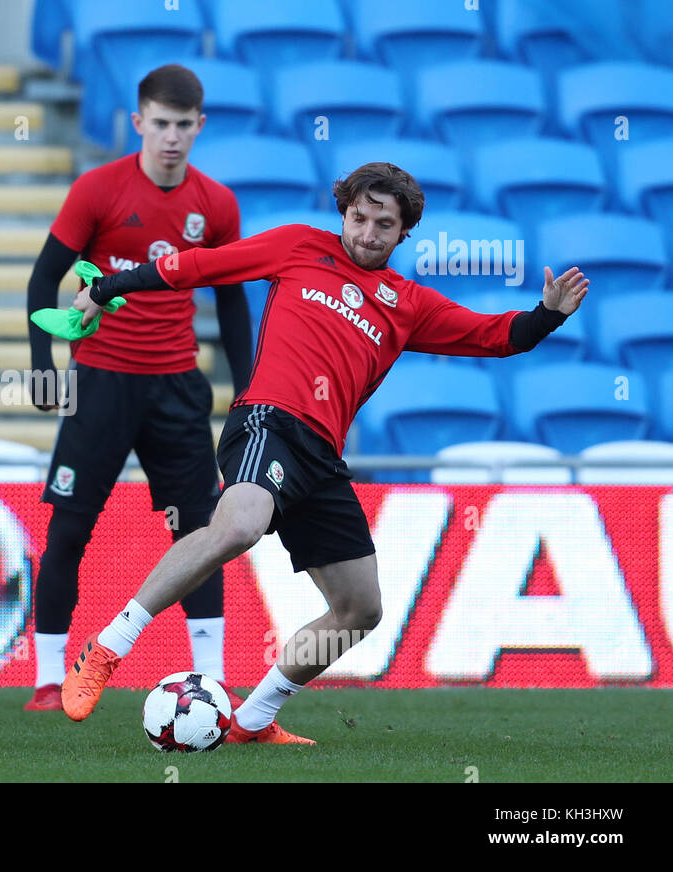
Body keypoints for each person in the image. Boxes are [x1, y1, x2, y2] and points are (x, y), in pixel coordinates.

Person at [61, 162, 590, 743]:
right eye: (358, 217)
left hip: (321, 459)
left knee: (360, 609)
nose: (366, 233)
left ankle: (254, 721)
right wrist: (108, 288)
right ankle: (109, 646)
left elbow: (493, 336)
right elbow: (195, 266)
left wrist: (548, 316)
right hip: (267, 421)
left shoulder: (407, 304)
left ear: (403, 232)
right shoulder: (296, 247)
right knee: (239, 527)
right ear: (343, 212)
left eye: (382, 224)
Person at [23, 64, 253, 716]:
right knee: (69, 528)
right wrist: (42, 364)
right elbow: (45, 281)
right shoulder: (97, 190)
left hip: (178, 389)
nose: (172, 137)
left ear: (199, 126)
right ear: (138, 123)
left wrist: (249, 390)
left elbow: (233, 306)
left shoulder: (216, 205)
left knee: (202, 532)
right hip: (100, 384)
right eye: (161, 124)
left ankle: (213, 683)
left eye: (184, 125)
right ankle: (47, 681)